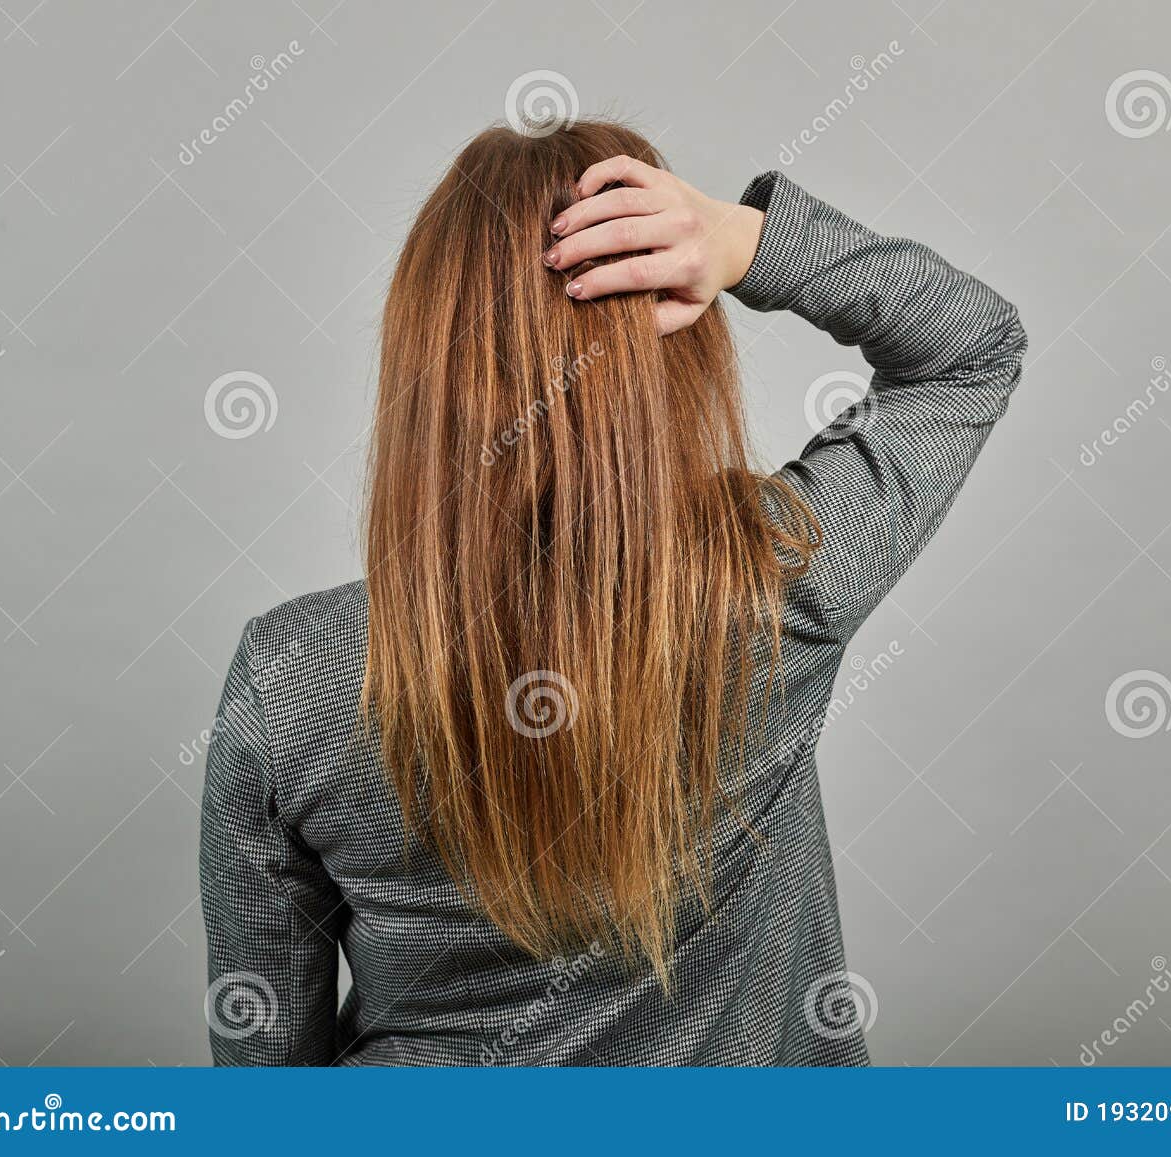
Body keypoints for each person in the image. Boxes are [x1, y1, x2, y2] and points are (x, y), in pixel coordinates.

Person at [200, 119, 1027, 1065]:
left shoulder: (288, 673)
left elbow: (262, 1072)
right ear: (670, 355)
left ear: (425, 371)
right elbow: (971, 345)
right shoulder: (773, 589)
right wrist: (745, 241)